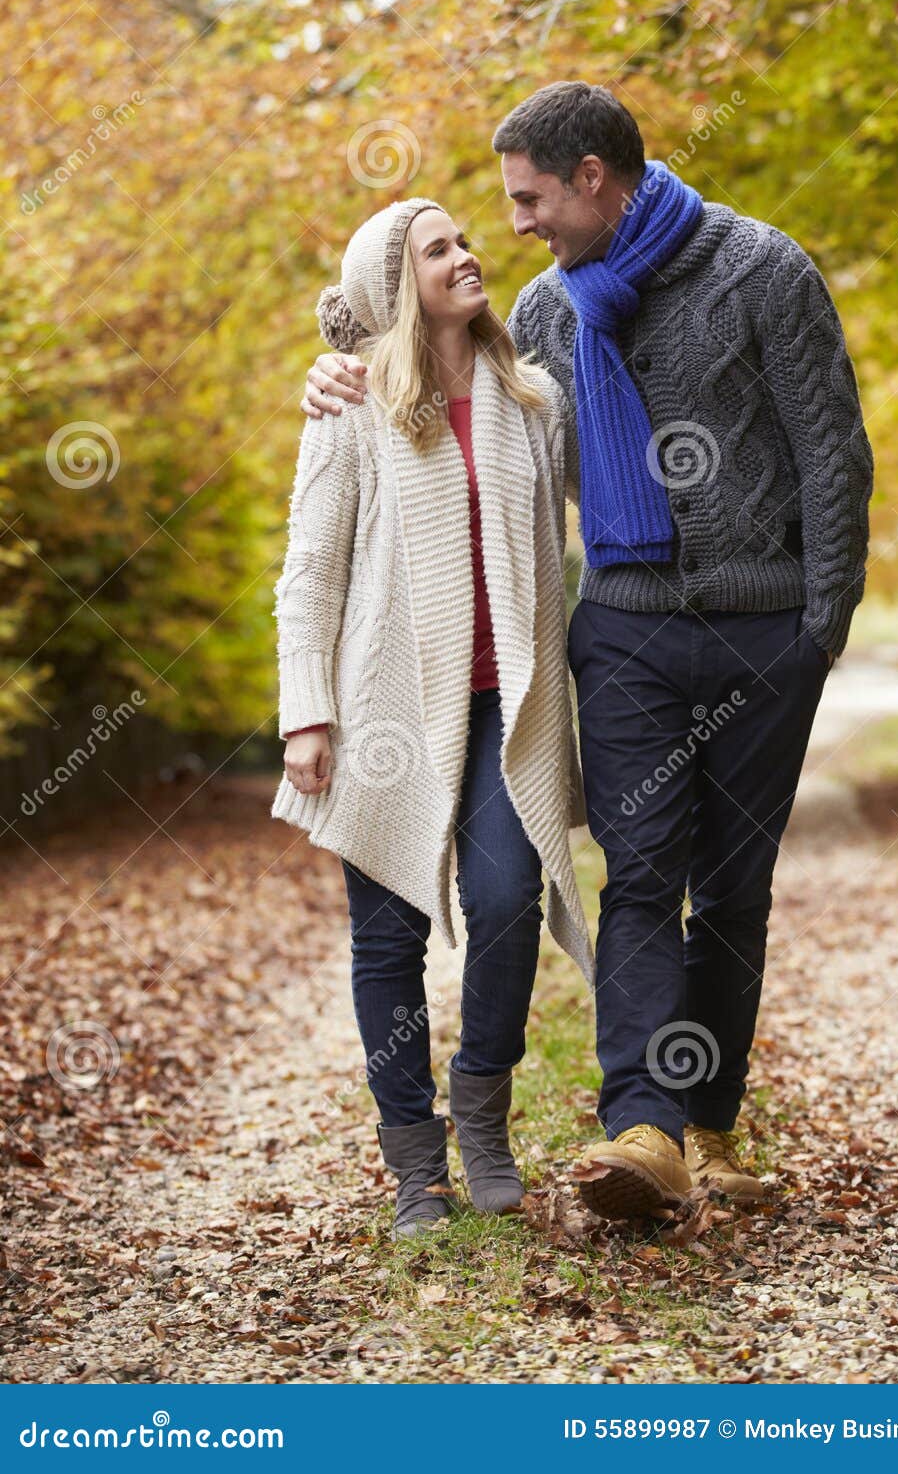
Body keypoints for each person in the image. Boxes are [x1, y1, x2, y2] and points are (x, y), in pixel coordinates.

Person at [298, 83, 875, 1220]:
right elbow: (442, 384)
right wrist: (336, 364)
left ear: (590, 180)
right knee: (642, 874)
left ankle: (707, 1122)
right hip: (622, 632)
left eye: (526, 198)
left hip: (765, 633)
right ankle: (641, 1127)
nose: (513, 224)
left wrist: (819, 629)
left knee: (736, 888)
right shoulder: (549, 310)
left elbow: (831, 455)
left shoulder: (763, 268)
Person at [272, 196, 593, 1239]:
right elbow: (310, 573)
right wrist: (305, 714)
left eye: (463, 239)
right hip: (385, 711)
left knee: (505, 902)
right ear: (391, 286)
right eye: (439, 249)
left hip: (509, 707)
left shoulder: (530, 396)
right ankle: (415, 1164)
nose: (468, 255)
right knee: (387, 940)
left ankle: (483, 1107)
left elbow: (575, 536)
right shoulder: (350, 405)